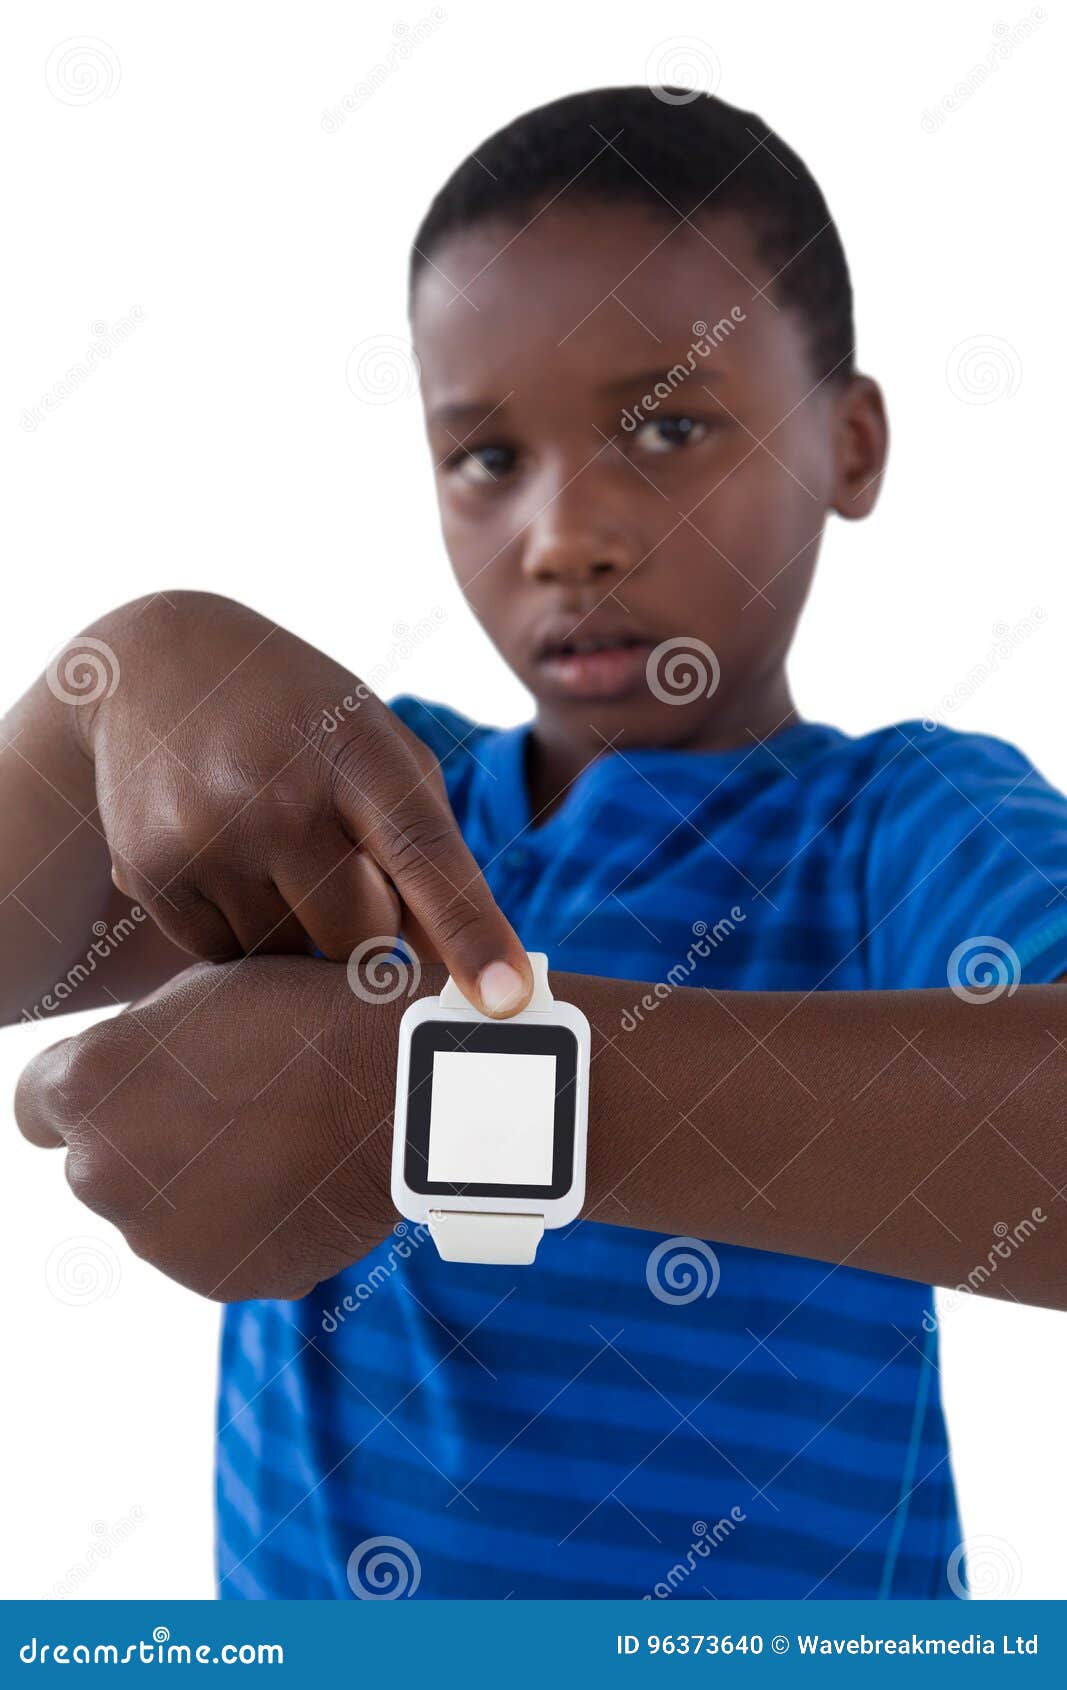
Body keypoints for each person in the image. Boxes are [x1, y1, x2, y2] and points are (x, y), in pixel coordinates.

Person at [5, 87, 1067, 1601]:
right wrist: (105, 679)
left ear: (852, 441)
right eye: (488, 456)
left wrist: (449, 1107)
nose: (568, 534)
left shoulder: (899, 826)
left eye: (672, 425)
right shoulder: (364, 800)